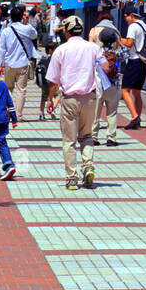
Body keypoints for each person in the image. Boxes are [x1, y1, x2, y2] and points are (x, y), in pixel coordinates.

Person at [45, 15, 106, 190]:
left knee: (69, 140)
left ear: (67, 31)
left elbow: (53, 80)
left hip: (70, 99)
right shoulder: (93, 48)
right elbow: (105, 67)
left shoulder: (61, 50)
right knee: (86, 136)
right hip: (90, 98)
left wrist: (50, 99)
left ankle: (72, 178)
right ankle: (88, 167)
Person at [0, 5, 36, 123]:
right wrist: (27, 22)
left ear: (11, 17)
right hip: (22, 63)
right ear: (21, 17)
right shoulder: (27, 28)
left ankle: (8, 112)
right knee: (21, 90)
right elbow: (34, 34)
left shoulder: (6, 31)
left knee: (8, 88)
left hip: (9, 63)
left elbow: (1, 49)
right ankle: (18, 115)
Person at [119, 3, 146, 130]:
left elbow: (129, 43)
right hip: (143, 60)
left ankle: (134, 116)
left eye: (126, 17)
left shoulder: (133, 26)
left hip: (134, 60)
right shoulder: (144, 25)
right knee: (137, 92)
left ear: (131, 15)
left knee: (125, 90)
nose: (125, 19)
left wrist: (119, 39)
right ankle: (138, 118)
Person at [92, 26, 121, 146]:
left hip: (98, 85)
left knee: (95, 113)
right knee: (112, 113)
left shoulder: (97, 52)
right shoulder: (117, 53)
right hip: (113, 86)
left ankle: (93, 137)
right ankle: (111, 138)